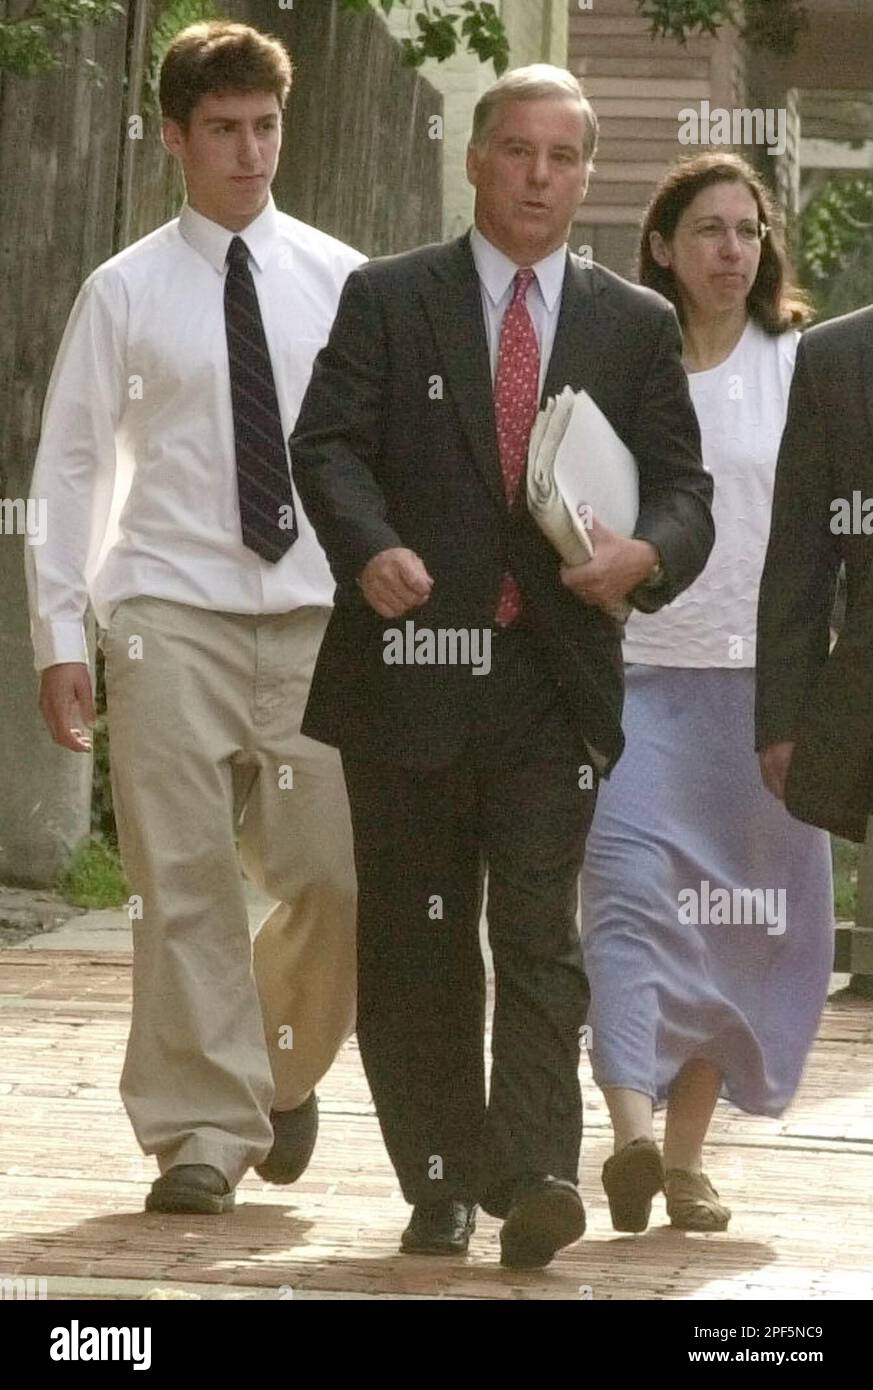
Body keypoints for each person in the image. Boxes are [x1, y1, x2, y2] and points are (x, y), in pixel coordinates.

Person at [289, 65, 713, 1268]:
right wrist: (369, 551)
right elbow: (327, 446)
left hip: (552, 678)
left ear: (586, 172)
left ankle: (534, 1170)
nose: (539, 176)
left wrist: (644, 553)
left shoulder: (631, 323)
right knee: (420, 939)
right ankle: (438, 1179)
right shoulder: (389, 297)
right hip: (411, 669)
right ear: (474, 160)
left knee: (539, 932)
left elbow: (687, 492)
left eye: (563, 157)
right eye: (518, 151)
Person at [25, 21, 363, 1215]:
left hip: (322, 617)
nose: (249, 151)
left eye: (265, 126)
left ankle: (272, 1061)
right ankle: (202, 1135)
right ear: (175, 137)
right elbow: (69, 473)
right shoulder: (121, 292)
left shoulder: (341, 280)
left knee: (334, 876)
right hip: (167, 612)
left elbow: (380, 457)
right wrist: (63, 638)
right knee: (183, 884)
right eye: (223, 129)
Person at [580, 153, 834, 1235]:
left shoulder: (803, 366)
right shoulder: (624, 361)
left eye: (747, 228)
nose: (731, 249)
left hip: (766, 691)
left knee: (734, 928)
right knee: (631, 904)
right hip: (636, 676)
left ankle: (685, 1158)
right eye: (708, 230)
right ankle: (631, 1134)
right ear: (662, 247)